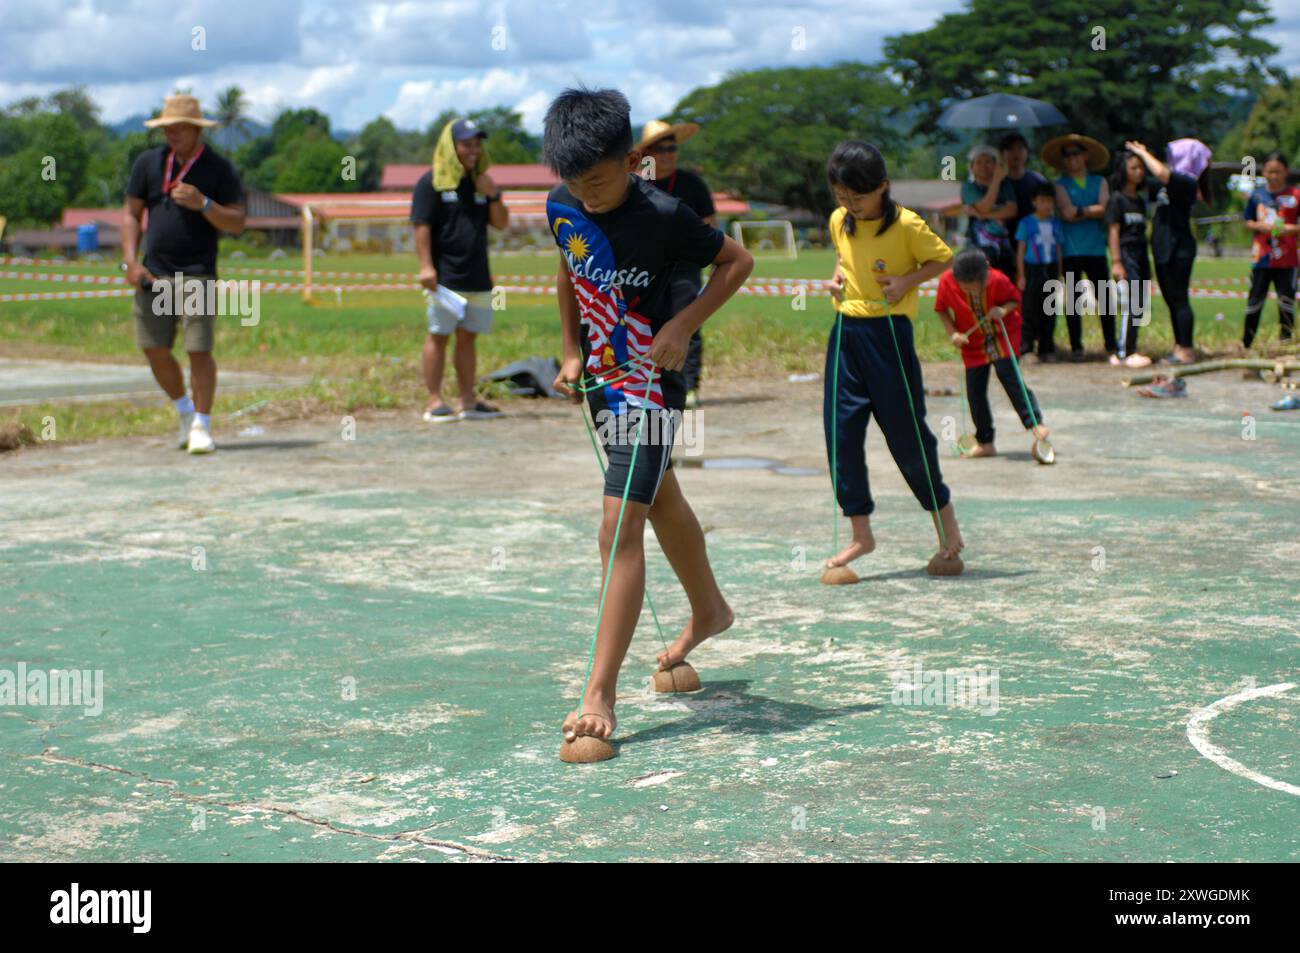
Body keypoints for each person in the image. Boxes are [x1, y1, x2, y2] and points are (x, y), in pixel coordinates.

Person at [542, 88, 754, 747]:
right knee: (657, 498)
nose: (589, 195)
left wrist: (685, 325)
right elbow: (569, 268)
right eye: (576, 184)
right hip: (605, 385)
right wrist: (573, 350)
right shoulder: (561, 206)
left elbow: (738, 262)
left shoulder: (665, 214)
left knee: (617, 523)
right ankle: (711, 609)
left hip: (655, 388)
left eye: (600, 181)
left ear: (629, 160)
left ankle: (599, 692)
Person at [823, 140, 963, 572]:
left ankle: (947, 526)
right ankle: (861, 535)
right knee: (840, 433)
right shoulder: (838, 221)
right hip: (846, 332)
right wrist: (836, 279)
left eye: (858, 198)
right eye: (842, 197)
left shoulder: (907, 225)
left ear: (882, 187)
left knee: (906, 435)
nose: (850, 206)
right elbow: (844, 261)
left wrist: (906, 281)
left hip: (888, 336)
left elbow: (942, 260)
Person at [121, 94, 246, 455]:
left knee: (198, 349)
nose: (171, 134)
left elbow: (237, 222)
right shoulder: (148, 163)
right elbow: (131, 214)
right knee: (153, 347)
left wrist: (204, 204)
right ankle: (183, 411)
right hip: (154, 274)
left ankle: (203, 426)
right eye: (166, 128)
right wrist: (131, 261)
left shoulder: (219, 169)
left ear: (196, 130)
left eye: (178, 128)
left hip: (197, 273)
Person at [411, 118, 509, 422]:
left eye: (477, 144)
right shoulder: (432, 183)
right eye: (467, 144)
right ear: (451, 146)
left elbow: (502, 223)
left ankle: (468, 400)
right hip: (445, 277)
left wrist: (493, 194)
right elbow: (421, 226)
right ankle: (434, 401)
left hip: (478, 275)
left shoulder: (482, 182)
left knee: (469, 337)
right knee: (439, 335)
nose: (473, 150)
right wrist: (426, 266)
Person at [935, 248, 1049, 458]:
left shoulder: (998, 279)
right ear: (956, 278)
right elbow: (941, 309)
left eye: (977, 289)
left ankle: (1035, 423)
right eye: (967, 289)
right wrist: (954, 334)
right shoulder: (946, 282)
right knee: (975, 390)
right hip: (972, 342)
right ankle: (985, 441)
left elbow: (1014, 299)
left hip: (1002, 335)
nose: (973, 293)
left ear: (985, 275)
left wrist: (1003, 310)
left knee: (1010, 376)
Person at [636, 119, 717, 408]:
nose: (669, 154)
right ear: (647, 154)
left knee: (687, 323)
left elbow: (710, 226)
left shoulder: (692, 183)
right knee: (646, 325)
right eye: (661, 149)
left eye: (672, 148)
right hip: (645, 270)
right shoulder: (636, 183)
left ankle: (689, 386)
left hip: (684, 267)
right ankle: (650, 381)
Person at [1126, 138, 1211, 364]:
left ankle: (1186, 348)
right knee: (1171, 299)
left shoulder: (1187, 182)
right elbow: (1147, 180)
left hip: (1179, 248)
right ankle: (1178, 346)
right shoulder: (1169, 183)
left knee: (1179, 298)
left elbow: (1163, 174)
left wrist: (1143, 153)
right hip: (1164, 247)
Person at [1042, 133, 1114, 359]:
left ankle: (1111, 345)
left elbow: (1105, 208)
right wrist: (1089, 211)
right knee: (1072, 300)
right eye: (1067, 155)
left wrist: (1081, 211)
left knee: (1104, 297)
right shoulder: (1059, 185)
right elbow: (1066, 212)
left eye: (1076, 153)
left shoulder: (1099, 181)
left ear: (1085, 155)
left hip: (1096, 248)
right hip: (1071, 249)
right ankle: (1076, 347)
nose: (1072, 158)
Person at [1242, 151, 1298, 348]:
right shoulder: (1257, 195)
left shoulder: (1295, 195)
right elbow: (1247, 220)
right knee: (1254, 301)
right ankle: (1246, 344)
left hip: (1288, 259)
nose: (1273, 176)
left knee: (1286, 302)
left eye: (1278, 172)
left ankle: (1286, 343)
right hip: (1262, 257)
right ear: (1263, 172)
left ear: (1286, 172)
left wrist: (1290, 229)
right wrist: (1259, 226)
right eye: (1269, 171)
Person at [1105, 147, 1154, 367]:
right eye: (1133, 167)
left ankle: (1131, 346)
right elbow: (1113, 230)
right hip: (1126, 253)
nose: (1139, 171)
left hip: (1141, 252)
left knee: (1140, 301)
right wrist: (1116, 262)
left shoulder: (1140, 201)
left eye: (1140, 167)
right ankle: (1124, 351)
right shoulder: (1117, 199)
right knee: (1130, 301)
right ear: (1124, 171)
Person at [1014, 181, 1066, 361]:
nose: (1046, 205)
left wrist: (1059, 274)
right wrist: (1021, 274)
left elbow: (1059, 249)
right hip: (1032, 268)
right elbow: (1021, 249)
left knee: (1049, 308)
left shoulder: (1056, 224)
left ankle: (1046, 348)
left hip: (1050, 267)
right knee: (1030, 308)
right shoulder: (1026, 223)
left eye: (1050, 201)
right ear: (1034, 202)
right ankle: (1027, 347)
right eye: (1042, 201)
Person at [961, 144, 1018, 280]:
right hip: (976, 246)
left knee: (1006, 283)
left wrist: (981, 215)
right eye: (978, 162)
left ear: (995, 165)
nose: (983, 166)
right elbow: (984, 206)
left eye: (988, 162)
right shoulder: (969, 187)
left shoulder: (1006, 185)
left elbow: (1011, 210)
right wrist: (996, 182)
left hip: (1004, 248)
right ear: (972, 166)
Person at [999, 131, 1049, 242]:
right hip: (1002, 239)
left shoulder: (1038, 180)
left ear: (1027, 152)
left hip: (1033, 238)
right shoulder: (996, 182)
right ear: (1002, 154)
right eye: (1010, 149)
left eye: (1020, 149)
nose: (1015, 153)